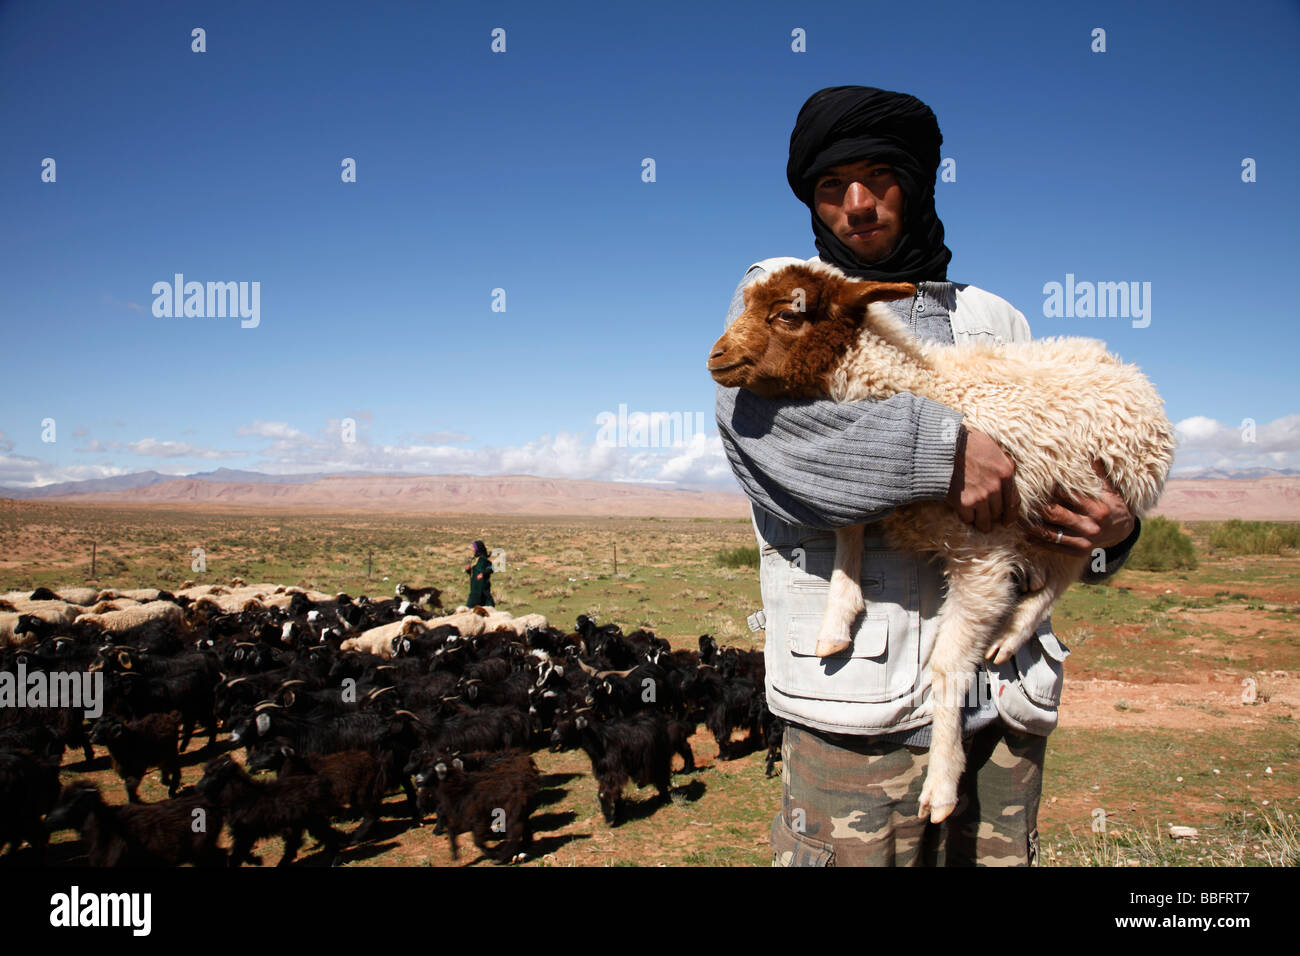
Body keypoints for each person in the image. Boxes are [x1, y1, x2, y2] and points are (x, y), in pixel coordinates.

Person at [713, 86, 1142, 866]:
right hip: (856, 715)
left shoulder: (998, 319)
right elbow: (771, 442)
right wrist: (945, 448)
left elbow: (1054, 467)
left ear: (918, 182)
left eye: (879, 177)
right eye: (829, 187)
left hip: (1002, 705)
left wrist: (1110, 533)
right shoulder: (784, 291)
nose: (856, 204)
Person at [465, 540, 495, 608]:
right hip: (474, 586)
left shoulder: (483, 560)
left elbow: (491, 568)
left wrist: (483, 574)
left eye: (473, 548)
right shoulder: (474, 559)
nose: (472, 550)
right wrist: (468, 570)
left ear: (477, 549)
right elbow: (474, 571)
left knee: (486, 604)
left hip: (482, 586)